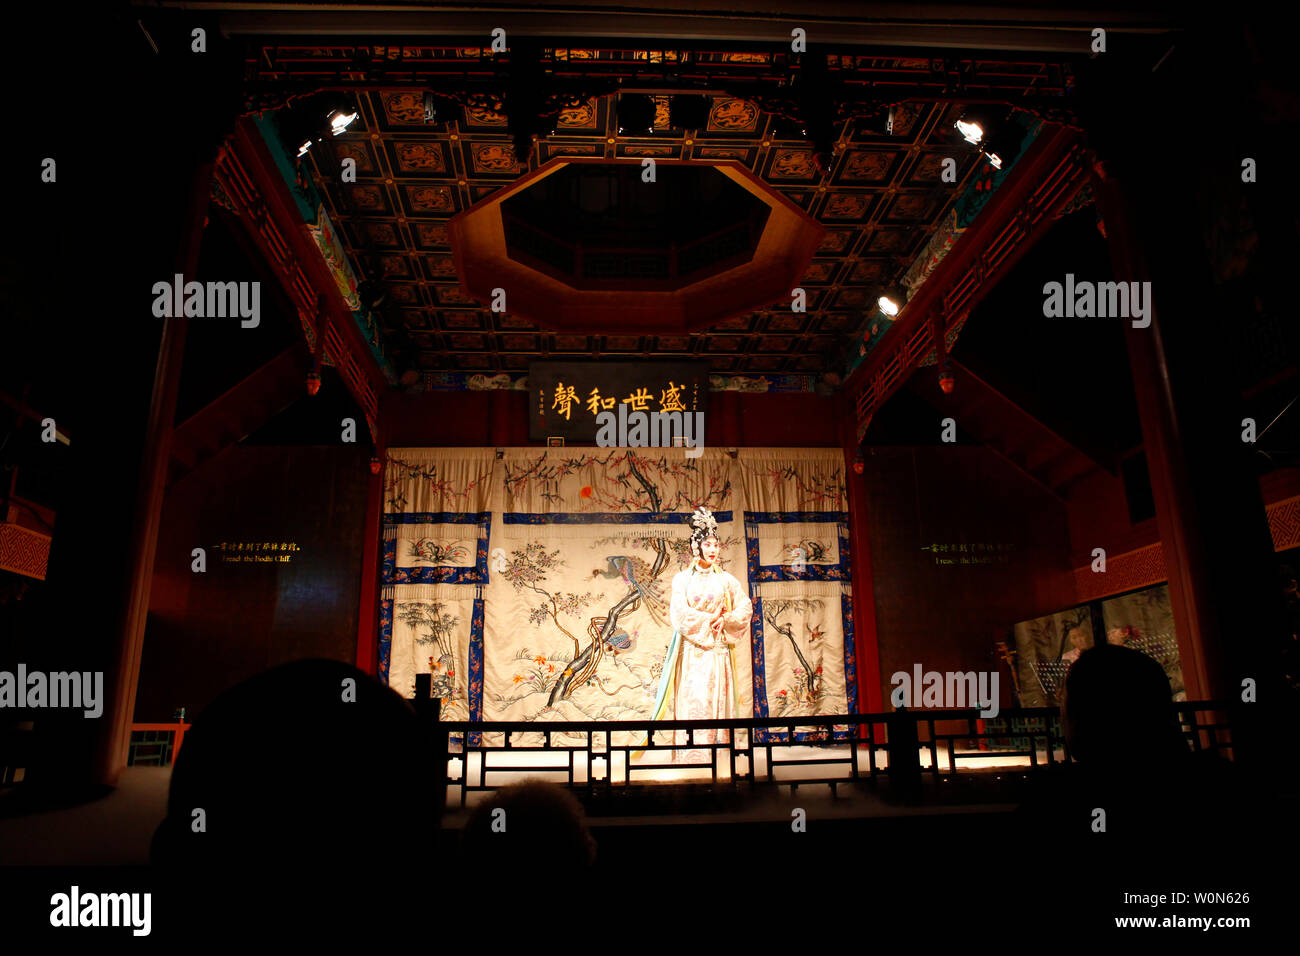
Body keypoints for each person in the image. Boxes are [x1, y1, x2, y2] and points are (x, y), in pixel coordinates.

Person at [635, 507, 752, 765]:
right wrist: (711, 620)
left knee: (715, 701)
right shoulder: (682, 580)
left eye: (716, 544)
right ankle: (691, 756)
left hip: (717, 652)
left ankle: (719, 756)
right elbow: (679, 614)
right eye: (707, 544)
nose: (712, 549)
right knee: (693, 700)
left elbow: (745, 607)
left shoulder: (727, 581)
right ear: (696, 546)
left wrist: (727, 619)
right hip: (691, 653)